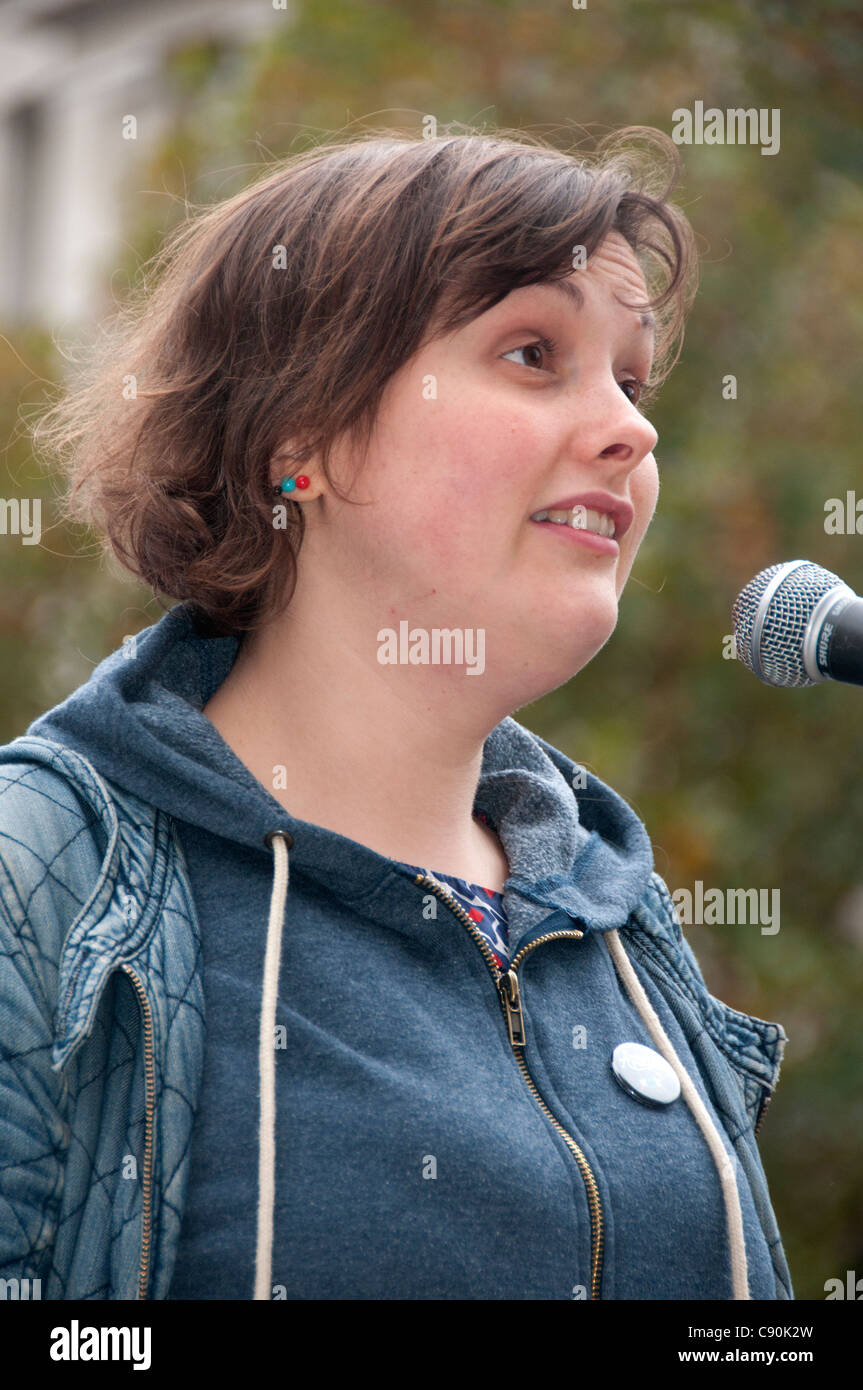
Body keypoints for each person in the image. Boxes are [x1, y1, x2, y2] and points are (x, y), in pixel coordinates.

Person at [0, 125, 792, 1300]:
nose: (633, 429)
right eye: (532, 352)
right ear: (300, 435)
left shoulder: (617, 917)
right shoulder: (42, 871)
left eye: (631, 378)